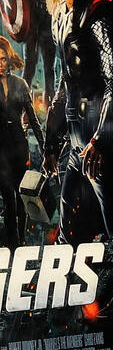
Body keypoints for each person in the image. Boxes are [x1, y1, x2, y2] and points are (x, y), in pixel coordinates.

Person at [41, 0, 113, 244]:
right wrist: (50, 144)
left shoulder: (99, 11)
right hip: (76, 142)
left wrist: (101, 139)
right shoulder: (59, 15)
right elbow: (64, 84)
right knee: (67, 234)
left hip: (100, 138)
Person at [0, 35, 43, 249]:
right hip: (0, 149)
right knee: (8, 198)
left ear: (9, 59)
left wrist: (46, 149)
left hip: (19, 145)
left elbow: (33, 120)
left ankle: (22, 242)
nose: (0, 63)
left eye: (3, 59)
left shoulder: (20, 84)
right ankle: (12, 245)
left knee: (21, 197)